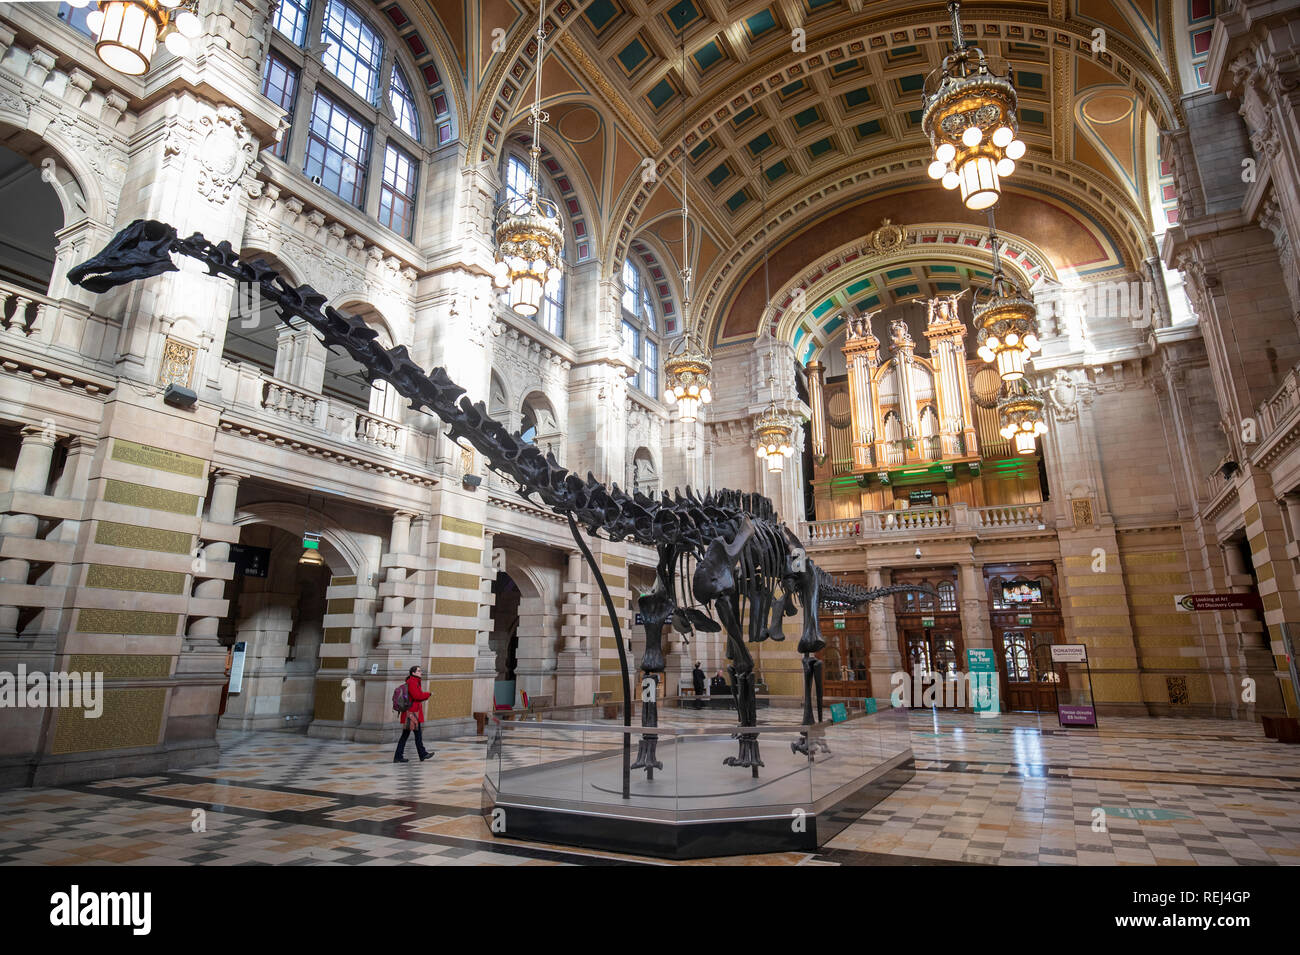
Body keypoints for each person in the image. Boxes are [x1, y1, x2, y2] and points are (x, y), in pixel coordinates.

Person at [393, 665, 434, 763]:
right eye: (419, 671)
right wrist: (428, 694)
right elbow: (417, 696)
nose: (421, 672)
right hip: (411, 713)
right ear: (413, 673)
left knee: (408, 735)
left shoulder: (414, 681)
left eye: (420, 671)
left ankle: (399, 756)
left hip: (412, 712)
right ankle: (422, 754)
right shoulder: (412, 682)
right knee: (416, 735)